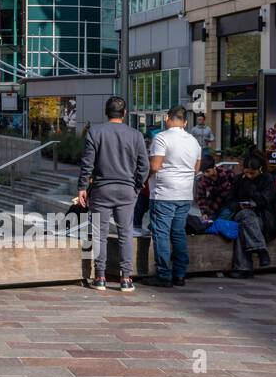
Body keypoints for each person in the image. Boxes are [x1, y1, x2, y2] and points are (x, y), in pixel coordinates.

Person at [77, 95, 150, 292]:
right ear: (124, 114)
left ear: (106, 112)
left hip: (102, 189)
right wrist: (137, 186)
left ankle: (100, 276)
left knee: (99, 234)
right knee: (125, 233)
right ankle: (126, 278)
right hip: (127, 190)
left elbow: (87, 164)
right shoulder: (135, 135)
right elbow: (144, 166)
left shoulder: (95, 132)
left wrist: (83, 187)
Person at [146, 105, 201, 287]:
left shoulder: (161, 138)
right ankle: (180, 275)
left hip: (164, 193)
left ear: (168, 118)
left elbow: (154, 166)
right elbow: (196, 168)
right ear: (185, 122)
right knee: (178, 234)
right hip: (185, 193)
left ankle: (163, 275)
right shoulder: (194, 141)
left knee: (161, 234)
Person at [225, 154, 276, 278]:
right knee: (245, 215)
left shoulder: (268, 180)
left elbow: (265, 201)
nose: (249, 176)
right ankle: (260, 249)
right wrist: (239, 205)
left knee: (243, 226)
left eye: (253, 173)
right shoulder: (239, 180)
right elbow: (229, 201)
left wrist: (251, 188)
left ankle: (243, 268)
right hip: (242, 214)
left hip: (264, 219)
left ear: (260, 169)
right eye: (247, 173)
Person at [195, 153, 233, 221]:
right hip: (213, 206)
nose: (205, 174)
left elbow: (234, 190)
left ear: (214, 167)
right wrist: (204, 213)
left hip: (228, 204)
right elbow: (201, 197)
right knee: (208, 223)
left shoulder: (227, 174)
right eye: (203, 172)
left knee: (220, 224)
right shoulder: (202, 179)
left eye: (207, 171)